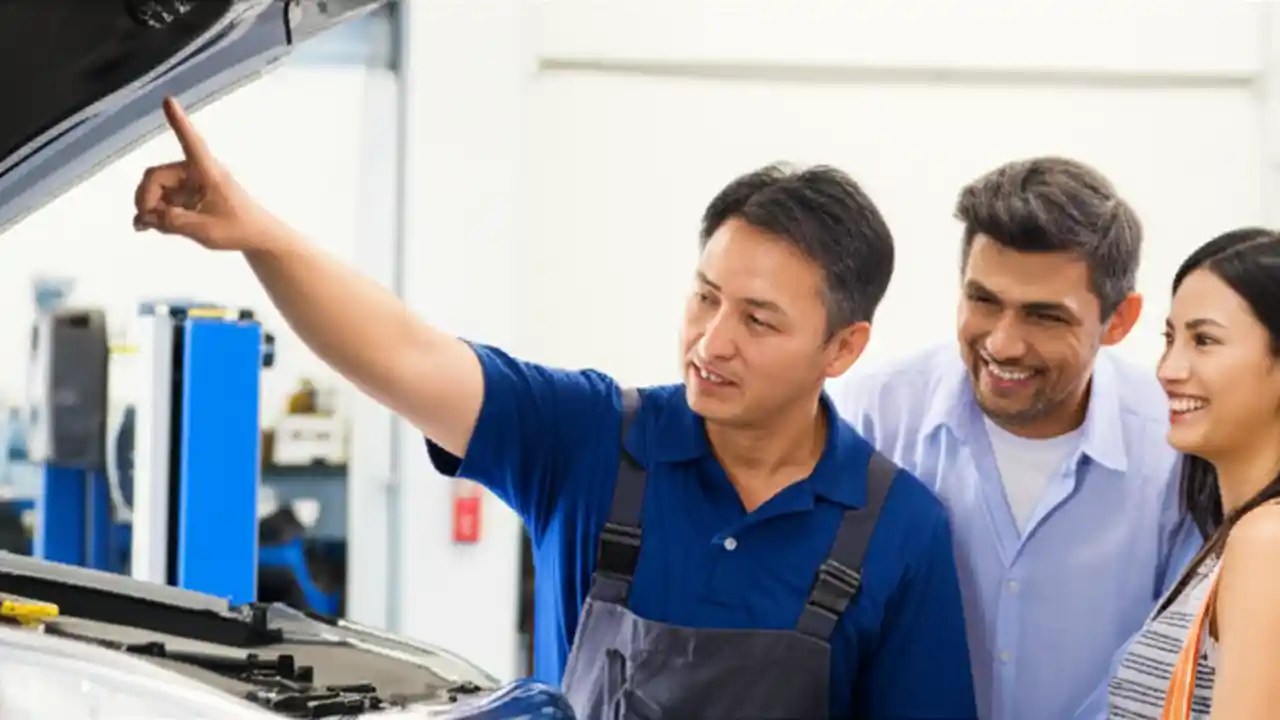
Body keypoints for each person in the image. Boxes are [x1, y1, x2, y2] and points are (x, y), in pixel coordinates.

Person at [132, 97, 978, 720]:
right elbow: (404, 355)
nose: (712, 341)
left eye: (758, 321)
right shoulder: (592, 442)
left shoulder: (897, 532)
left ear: (843, 348)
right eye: (705, 297)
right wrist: (258, 234)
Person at [831, 156, 1201, 720]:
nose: (1003, 344)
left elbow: (1178, 669)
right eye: (984, 301)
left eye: (1044, 317)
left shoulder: (1178, 452)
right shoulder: (870, 419)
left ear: (1119, 321)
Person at [1105, 228, 1280, 718]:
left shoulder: (1267, 540)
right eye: (1170, 337)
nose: (1167, 368)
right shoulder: (1236, 535)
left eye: (1204, 340)